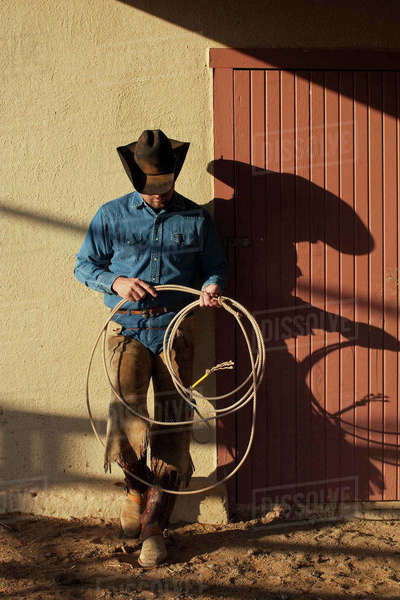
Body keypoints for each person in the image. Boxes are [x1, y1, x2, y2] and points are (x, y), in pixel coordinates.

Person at [74, 129, 228, 567]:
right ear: (136, 178)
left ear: (174, 176)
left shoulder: (196, 220)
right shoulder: (111, 216)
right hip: (126, 329)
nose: (157, 196)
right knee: (123, 419)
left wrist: (212, 286)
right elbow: (85, 265)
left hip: (176, 331)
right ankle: (134, 492)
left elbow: (214, 266)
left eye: (163, 187)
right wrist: (116, 281)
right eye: (149, 188)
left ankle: (155, 524)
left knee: (174, 423)